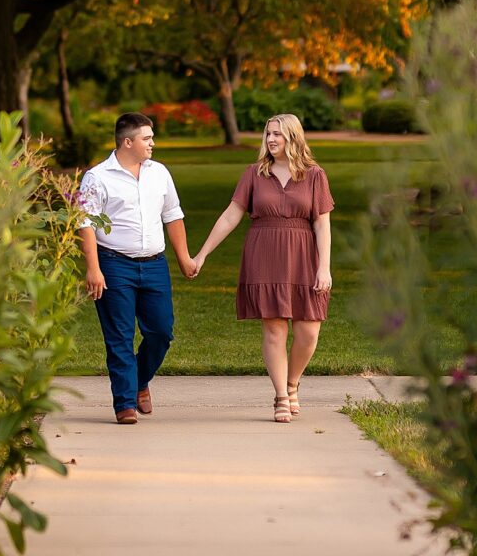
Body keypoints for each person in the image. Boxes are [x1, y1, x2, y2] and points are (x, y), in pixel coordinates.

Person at [193, 113, 334, 423]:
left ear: (293, 138)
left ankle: (293, 382)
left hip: (304, 257)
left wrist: (324, 268)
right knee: (274, 328)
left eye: (278, 135)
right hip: (264, 255)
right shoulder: (253, 174)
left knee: (309, 331)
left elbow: (322, 224)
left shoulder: (314, 175)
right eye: (269, 134)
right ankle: (282, 397)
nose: (271, 140)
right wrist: (202, 254)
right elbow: (231, 216)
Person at [77, 112, 198, 424]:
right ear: (127, 142)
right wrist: (93, 268)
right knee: (119, 336)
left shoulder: (159, 173)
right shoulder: (97, 177)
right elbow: (85, 223)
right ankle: (125, 403)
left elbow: (173, 214)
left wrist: (184, 258)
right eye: (147, 138)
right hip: (114, 264)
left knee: (161, 332)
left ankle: (140, 380)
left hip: (155, 265)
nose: (153, 143)